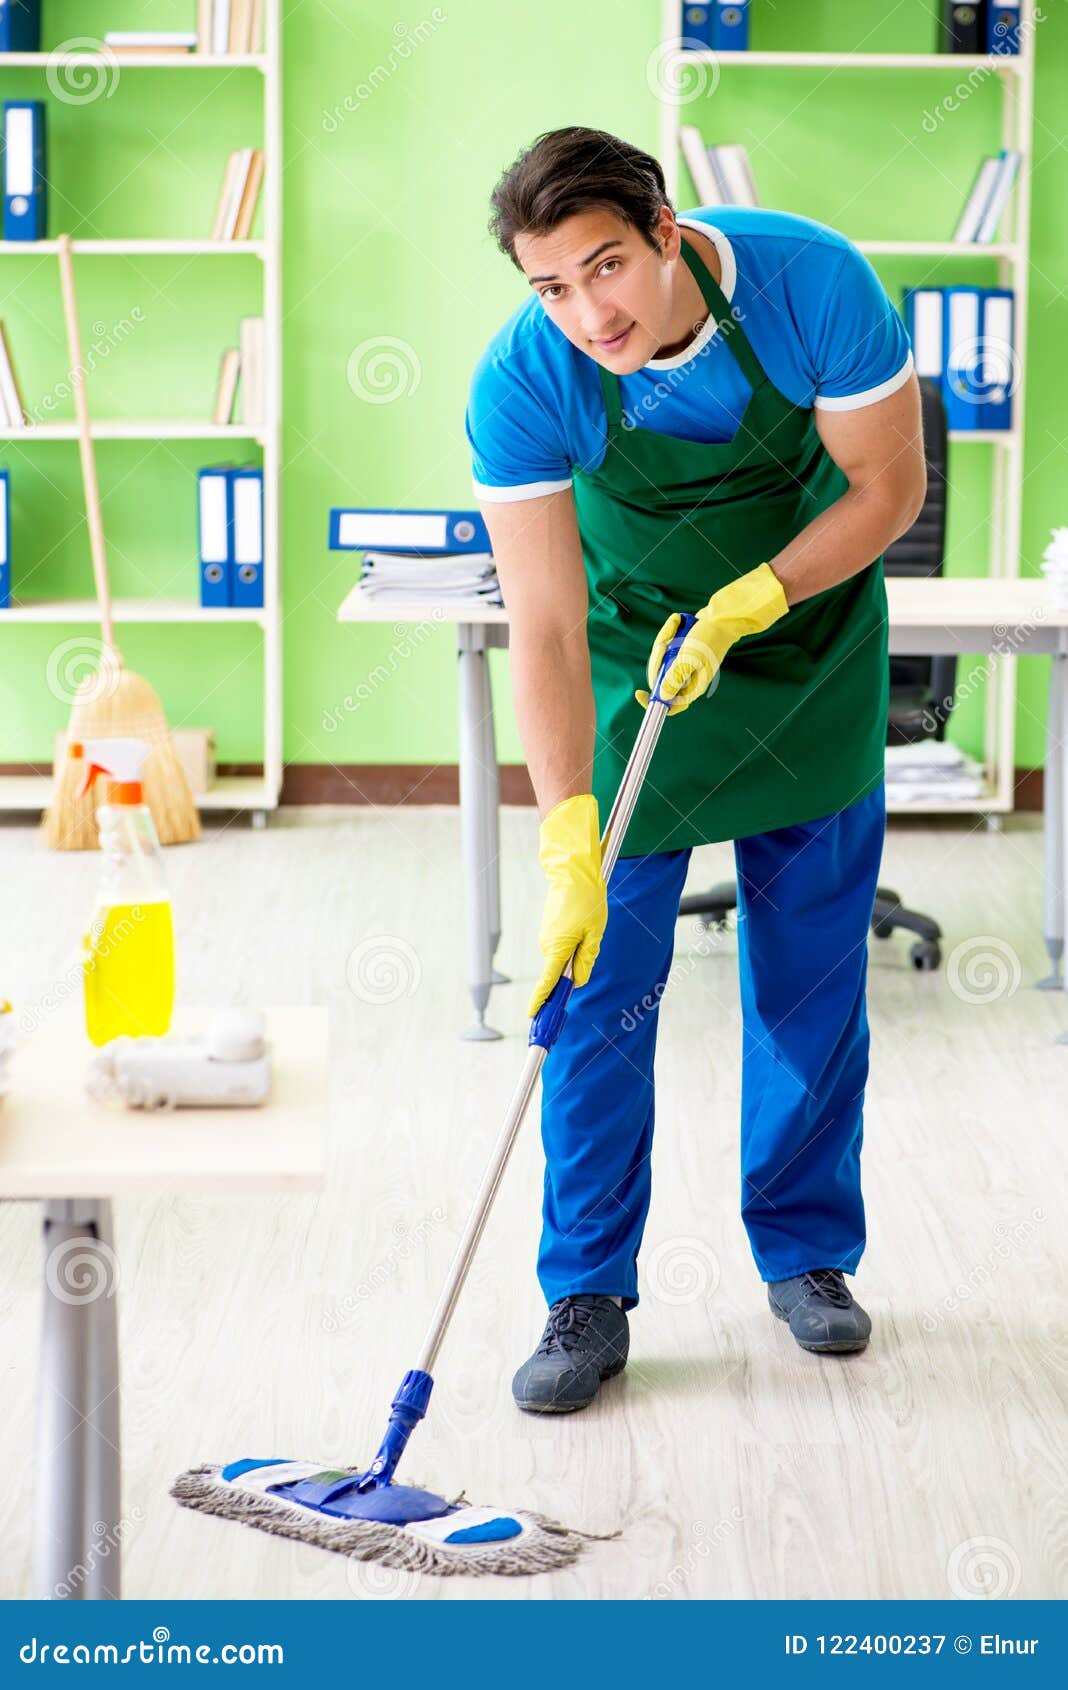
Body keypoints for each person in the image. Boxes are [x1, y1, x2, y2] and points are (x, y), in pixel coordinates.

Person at [465, 127, 925, 1413]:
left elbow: (889, 489)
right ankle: (586, 1290)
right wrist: (564, 833)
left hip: (805, 641)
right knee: (600, 990)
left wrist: (752, 599)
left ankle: (808, 1255)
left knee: (811, 982)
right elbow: (546, 627)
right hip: (635, 666)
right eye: (550, 287)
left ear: (666, 229)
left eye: (605, 267)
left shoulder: (808, 285)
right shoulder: (524, 380)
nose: (586, 313)